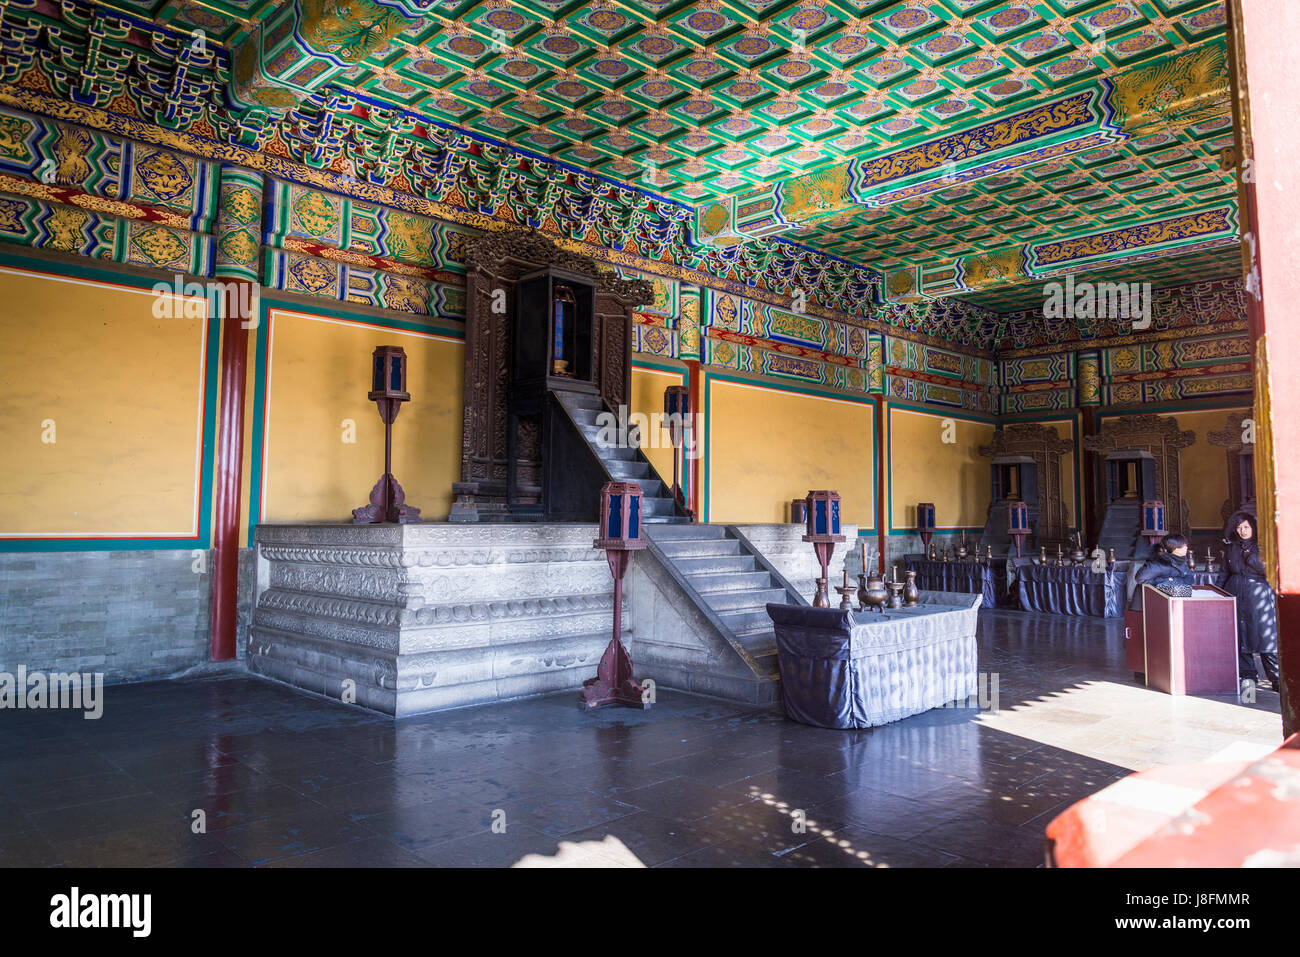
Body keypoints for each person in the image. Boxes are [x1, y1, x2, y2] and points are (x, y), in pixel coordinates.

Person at [1222, 511, 1280, 691]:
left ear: (1253, 528)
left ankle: (1276, 678)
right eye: (1239, 527)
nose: (1242, 531)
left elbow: (1267, 569)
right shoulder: (1232, 547)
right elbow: (1224, 572)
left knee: (1264, 635)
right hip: (1236, 591)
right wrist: (1219, 593)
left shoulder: (1262, 546)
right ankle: (1248, 678)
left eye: (1246, 527)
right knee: (1241, 636)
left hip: (1258, 594)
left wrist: (1250, 555)